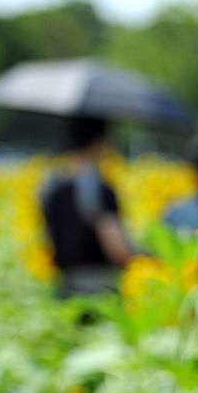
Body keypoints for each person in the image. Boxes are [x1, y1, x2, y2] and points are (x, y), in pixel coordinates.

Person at [40, 116, 135, 296]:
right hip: (97, 294)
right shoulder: (98, 190)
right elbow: (117, 251)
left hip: (63, 288)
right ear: (100, 141)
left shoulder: (52, 186)